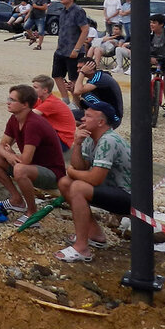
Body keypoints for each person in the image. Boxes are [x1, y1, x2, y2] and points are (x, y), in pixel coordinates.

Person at [55, 102, 131, 262]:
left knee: (77, 186)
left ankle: (81, 248)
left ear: (101, 122)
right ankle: (95, 234)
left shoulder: (108, 140)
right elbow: (79, 166)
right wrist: (77, 143)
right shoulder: (91, 137)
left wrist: (72, 172)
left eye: (88, 116)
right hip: (111, 190)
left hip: (131, 198)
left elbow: (94, 178)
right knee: (65, 183)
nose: (82, 119)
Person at [0, 84, 67, 220]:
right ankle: (17, 200)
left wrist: (12, 155)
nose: (8, 102)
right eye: (8, 98)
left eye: (12, 100)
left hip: (52, 173)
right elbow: (1, 147)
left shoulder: (33, 124)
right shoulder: (14, 119)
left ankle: (32, 212)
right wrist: (9, 155)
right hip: (31, 167)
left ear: (25, 105)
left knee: (20, 169)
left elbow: (25, 160)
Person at [51, 0, 90, 102]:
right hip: (61, 49)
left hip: (74, 51)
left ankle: (76, 103)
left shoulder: (78, 11)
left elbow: (85, 29)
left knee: (74, 79)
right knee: (56, 74)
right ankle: (65, 99)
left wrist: (77, 49)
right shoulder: (62, 11)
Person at [71, 58, 124, 125]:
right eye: (78, 68)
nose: (78, 71)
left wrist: (82, 73)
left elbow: (78, 91)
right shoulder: (91, 81)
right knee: (68, 115)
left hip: (112, 118)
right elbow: (81, 106)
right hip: (98, 113)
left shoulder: (100, 78)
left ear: (90, 67)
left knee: (70, 118)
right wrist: (72, 92)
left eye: (81, 68)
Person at [30, 74, 76, 150]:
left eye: (35, 87)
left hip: (63, 141)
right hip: (57, 136)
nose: (32, 90)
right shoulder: (41, 100)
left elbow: (27, 115)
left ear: (45, 90)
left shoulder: (51, 102)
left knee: (28, 128)